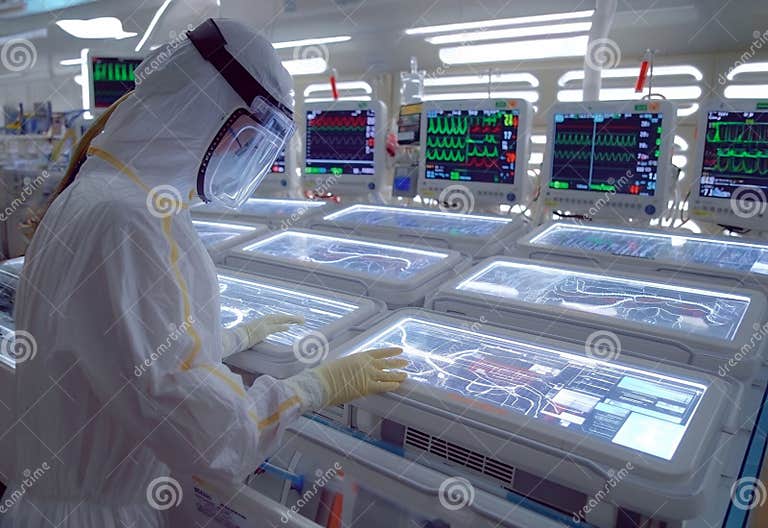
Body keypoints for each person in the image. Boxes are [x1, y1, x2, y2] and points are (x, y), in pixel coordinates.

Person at [0, 19, 407, 527]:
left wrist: (229, 339)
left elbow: (121, 354)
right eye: (245, 143)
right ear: (204, 115)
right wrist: (313, 387)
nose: (240, 161)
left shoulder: (97, 192)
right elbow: (212, 437)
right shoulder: (131, 221)